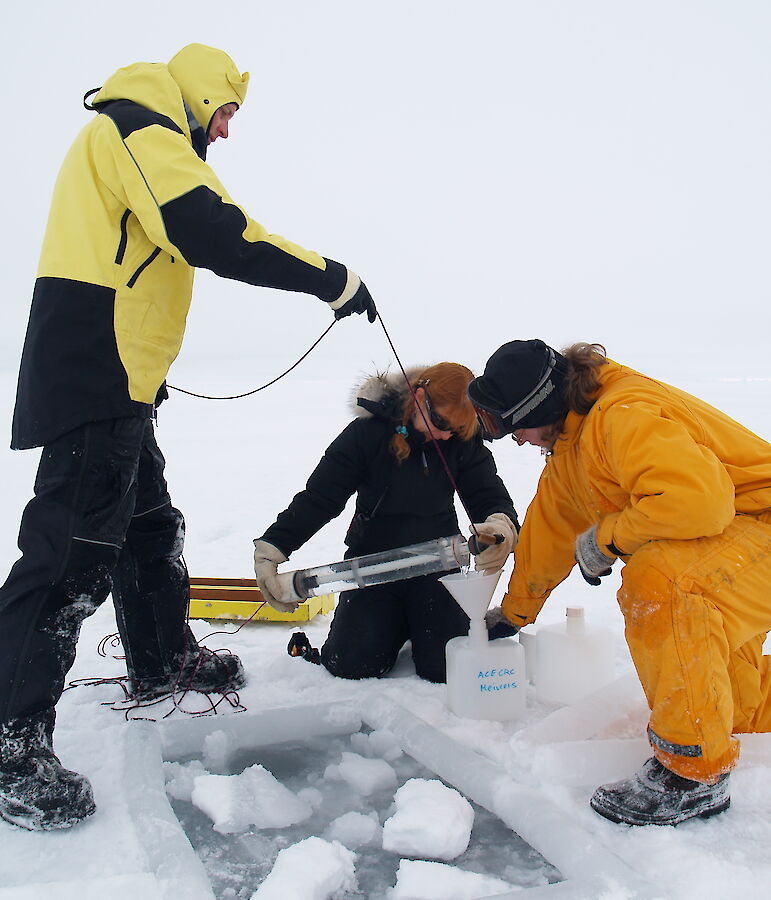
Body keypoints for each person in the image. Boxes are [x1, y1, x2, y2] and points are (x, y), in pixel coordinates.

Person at [0, 43, 376, 832]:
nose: (227, 133)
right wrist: (328, 276)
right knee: (68, 559)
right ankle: (11, 743)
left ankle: (161, 661)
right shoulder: (143, 126)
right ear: (202, 96)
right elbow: (210, 230)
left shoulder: (139, 130)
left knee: (148, 528)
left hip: (118, 381)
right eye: (228, 113)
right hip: (95, 376)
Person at [469, 339, 771, 826]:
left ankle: (692, 774)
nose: (518, 440)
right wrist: (514, 612)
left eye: (515, 427)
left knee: (666, 585)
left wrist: (607, 538)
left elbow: (698, 503)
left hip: (759, 528)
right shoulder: (570, 447)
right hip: (736, 545)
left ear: (540, 405)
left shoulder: (622, 415)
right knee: (729, 707)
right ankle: (720, 726)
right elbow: (547, 533)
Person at [253, 362, 519, 683]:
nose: (445, 434)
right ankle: (392, 623)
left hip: (437, 566)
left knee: (445, 668)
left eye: (456, 429)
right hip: (370, 568)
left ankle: (415, 625)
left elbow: (488, 496)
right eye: (439, 422)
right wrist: (273, 548)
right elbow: (320, 497)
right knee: (352, 666)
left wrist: (498, 526)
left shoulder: (460, 440)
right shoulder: (367, 433)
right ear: (420, 396)